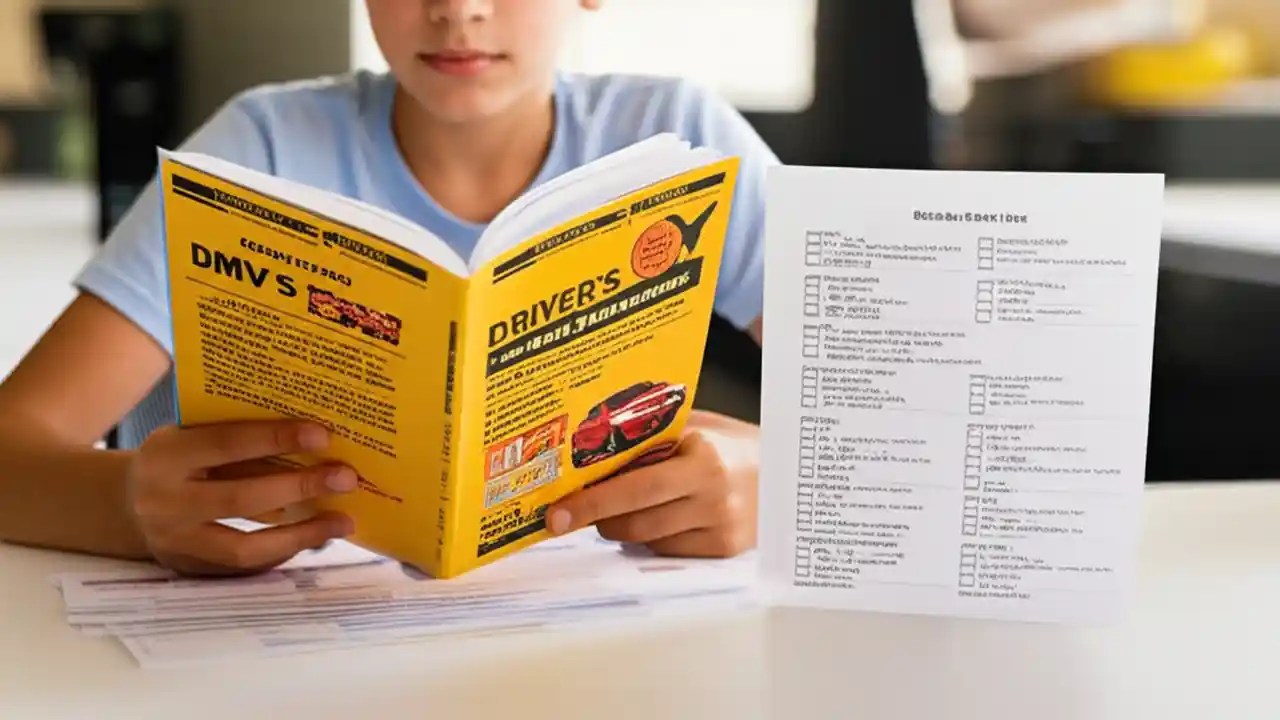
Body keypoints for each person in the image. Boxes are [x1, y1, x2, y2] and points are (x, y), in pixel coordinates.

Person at [0, 0, 774, 576]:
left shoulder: (683, 142)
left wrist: (768, 479)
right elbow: (13, 452)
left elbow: (887, 427)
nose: (458, 11)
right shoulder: (261, 148)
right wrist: (132, 507)